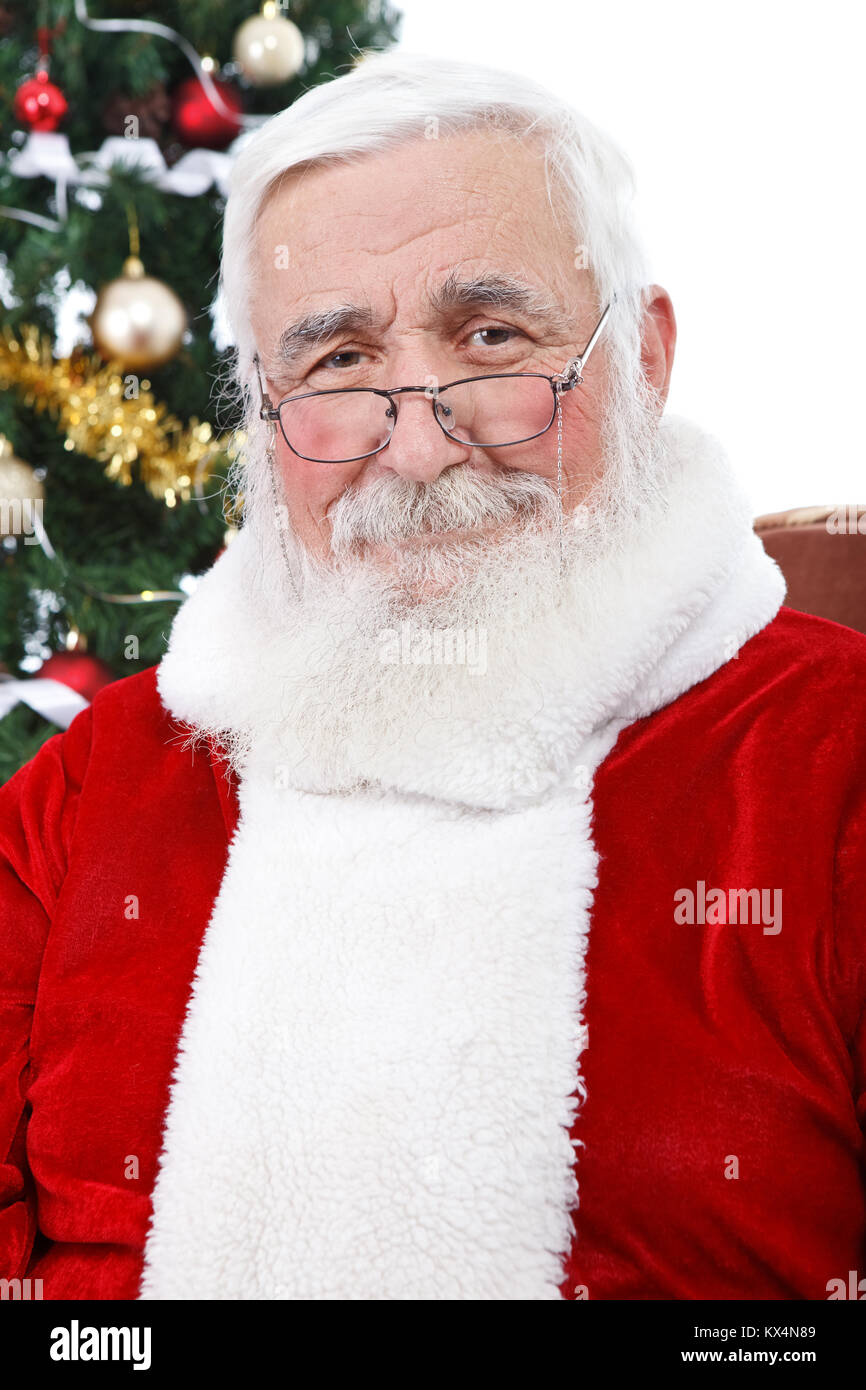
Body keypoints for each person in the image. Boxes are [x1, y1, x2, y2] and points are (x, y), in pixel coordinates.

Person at [1, 51, 864, 1302]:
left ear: (646, 357)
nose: (414, 444)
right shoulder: (91, 788)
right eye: (339, 360)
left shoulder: (829, 757)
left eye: (491, 336)